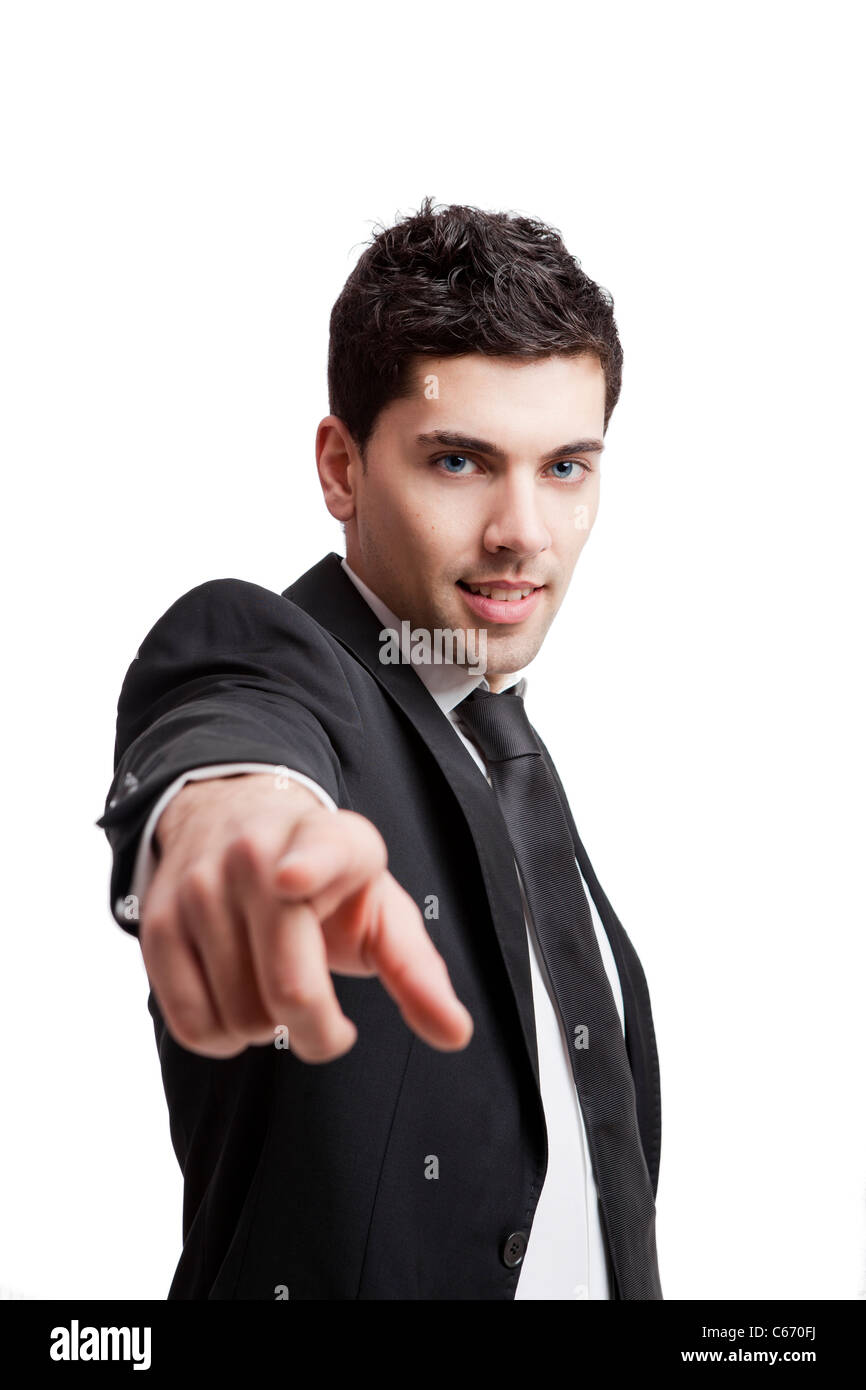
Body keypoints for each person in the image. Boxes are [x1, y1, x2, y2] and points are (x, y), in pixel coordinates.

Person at [98, 196, 663, 1300]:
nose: (522, 532)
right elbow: (231, 738)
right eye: (458, 463)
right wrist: (230, 825)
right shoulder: (284, 659)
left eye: (563, 467)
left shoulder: (505, 745)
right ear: (341, 468)